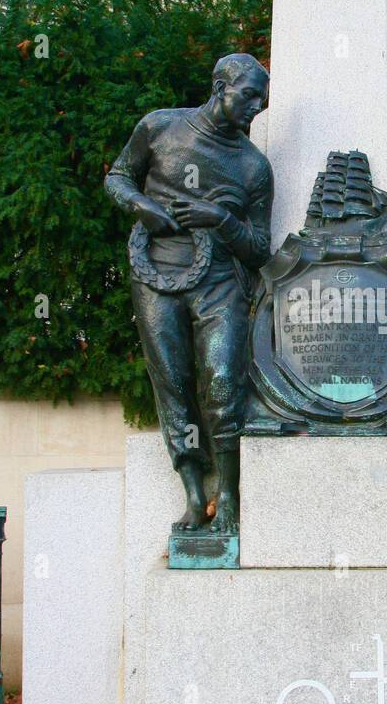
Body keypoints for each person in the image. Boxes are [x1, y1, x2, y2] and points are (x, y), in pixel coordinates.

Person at [105, 54, 272, 533]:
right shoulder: (159, 127)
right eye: (249, 95)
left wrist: (219, 219)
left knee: (223, 381)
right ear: (221, 86)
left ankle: (231, 495)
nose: (256, 107)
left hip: (220, 283)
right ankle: (195, 493)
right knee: (173, 382)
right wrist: (144, 208)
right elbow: (117, 177)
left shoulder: (252, 166)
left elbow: (259, 248)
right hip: (156, 273)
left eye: (262, 99)